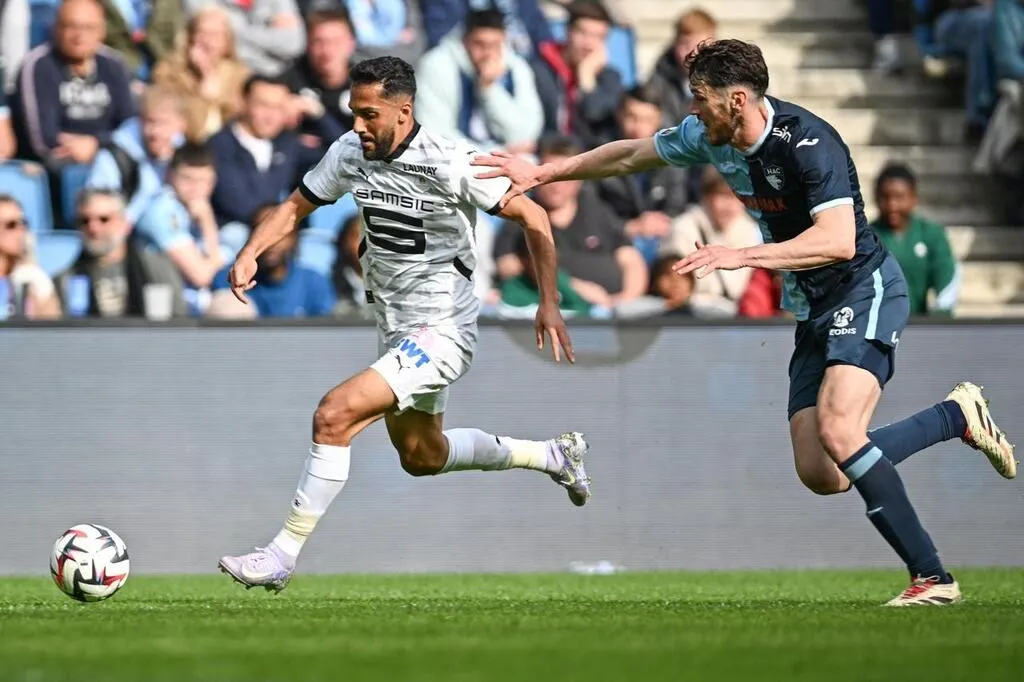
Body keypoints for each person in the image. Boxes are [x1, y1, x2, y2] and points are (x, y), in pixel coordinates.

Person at [473, 39, 1018, 606]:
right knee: (825, 471)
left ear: (736, 101)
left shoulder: (810, 143)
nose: (692, 111)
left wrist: (740, 256)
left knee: (838, 431)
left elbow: (837, 241)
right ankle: (954, 416)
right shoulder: (712, 136)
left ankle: (932, 577)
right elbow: (631, 154)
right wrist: (545, 171)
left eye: (700, 100)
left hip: (864, 287)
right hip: (811, 307)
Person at [217, 56, 590, 592]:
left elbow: (534, 215)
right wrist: (252, 250)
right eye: (352, 112)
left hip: (444, 329)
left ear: (404, 110)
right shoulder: (351, 152)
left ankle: (281, 555)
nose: (357, 125)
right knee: (421, 455)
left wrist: (547, 301)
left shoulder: (451, 160)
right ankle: (551, 455)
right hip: (395, 324)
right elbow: (298, 205)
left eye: (369, 114)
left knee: (333, 414)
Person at [871, 164, 959, 316]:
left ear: (913, 198)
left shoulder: (931, 234)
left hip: (919, 328)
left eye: (899, 197)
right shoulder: (867, 237)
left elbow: (946, 283)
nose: (892, 205)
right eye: (885, 197)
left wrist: (937, 323)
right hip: (876, 330)